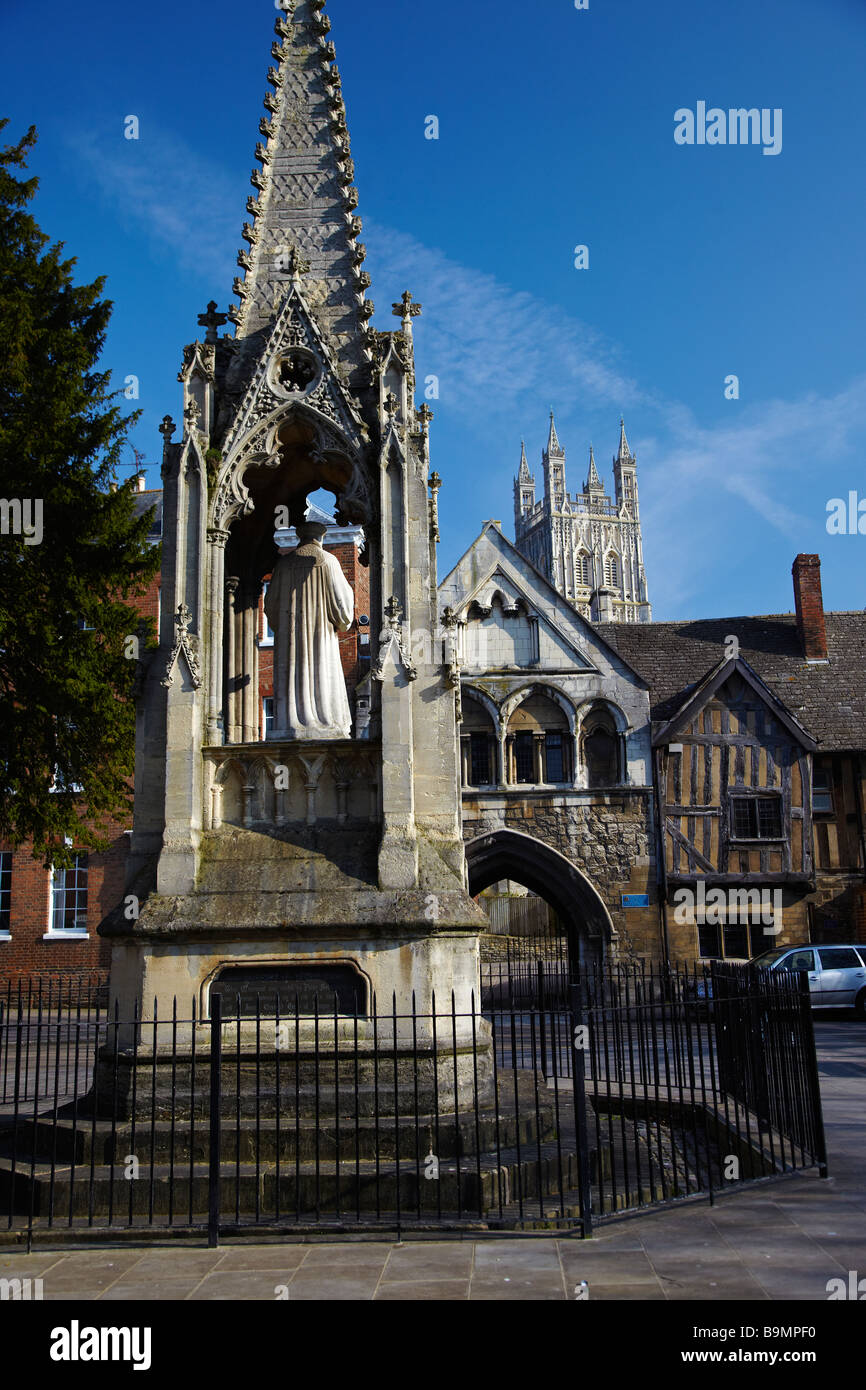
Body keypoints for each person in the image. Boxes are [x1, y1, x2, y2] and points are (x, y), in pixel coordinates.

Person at [264, 520, 353, 740]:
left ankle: (288, 722)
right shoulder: (328, 561)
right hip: (321, 640)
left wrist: (285, 628)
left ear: (299, 537)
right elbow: (343, 612)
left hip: (289, 644)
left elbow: (270, 608)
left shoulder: (283, 565)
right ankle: (324, 721)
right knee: (322, 676)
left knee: (292, 677)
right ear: (321, 537)